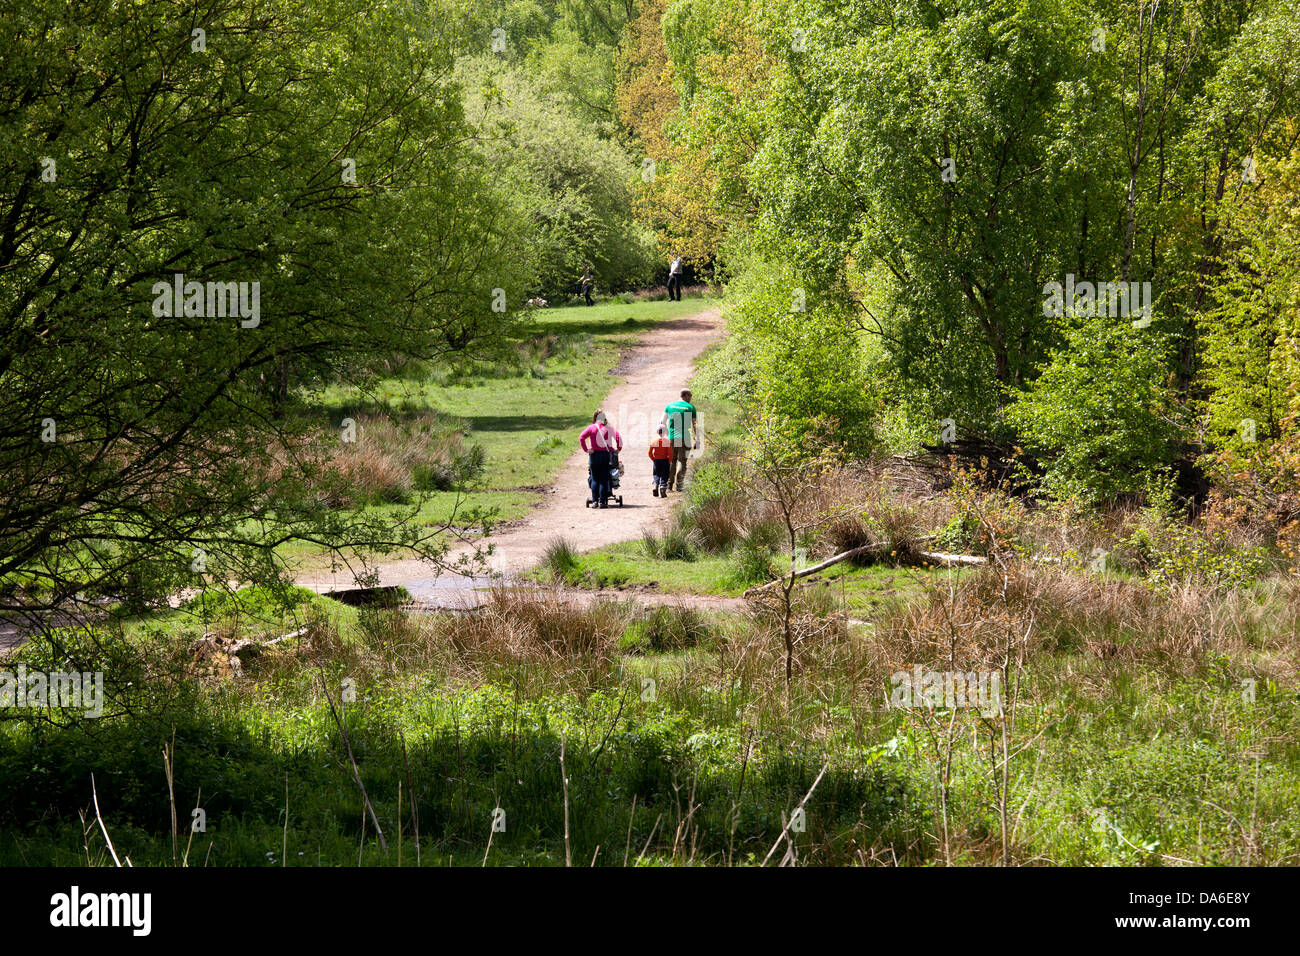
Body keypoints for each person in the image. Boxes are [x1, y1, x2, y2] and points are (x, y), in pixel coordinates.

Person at [579, 409, 622, 507]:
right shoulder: (609, 428)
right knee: (603, 478)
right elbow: (618, 437)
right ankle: (602, 502)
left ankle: (594, 501)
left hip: (594, 455)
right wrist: (618, 449)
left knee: (595, 479)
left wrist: (587, 450)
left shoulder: (591, 428)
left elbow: (581, 437)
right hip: (606, 455)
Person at [659, 388, 698, 493]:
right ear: (686, 396)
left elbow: (662, 422)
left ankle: (669, 485)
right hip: (685, 438)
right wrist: (697, 439)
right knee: (682, 461)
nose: (691, 398)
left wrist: (665, 435)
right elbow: (695, 425)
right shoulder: (690, 407)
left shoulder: (670, 406)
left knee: (672, 461)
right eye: (690, 396)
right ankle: (679, 485)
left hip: (672, 438)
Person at [648, 424, 673, 497]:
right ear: (665, 432)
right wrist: (669, 461)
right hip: (665, 460)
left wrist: (653, 459)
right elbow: (670, 453)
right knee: (665, 475)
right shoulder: (667, 441)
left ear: (657, 432)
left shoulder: (653, 441)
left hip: (657, 460)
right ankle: (662, 487)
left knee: (656, 474)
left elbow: (649, 453)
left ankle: (655, 485)